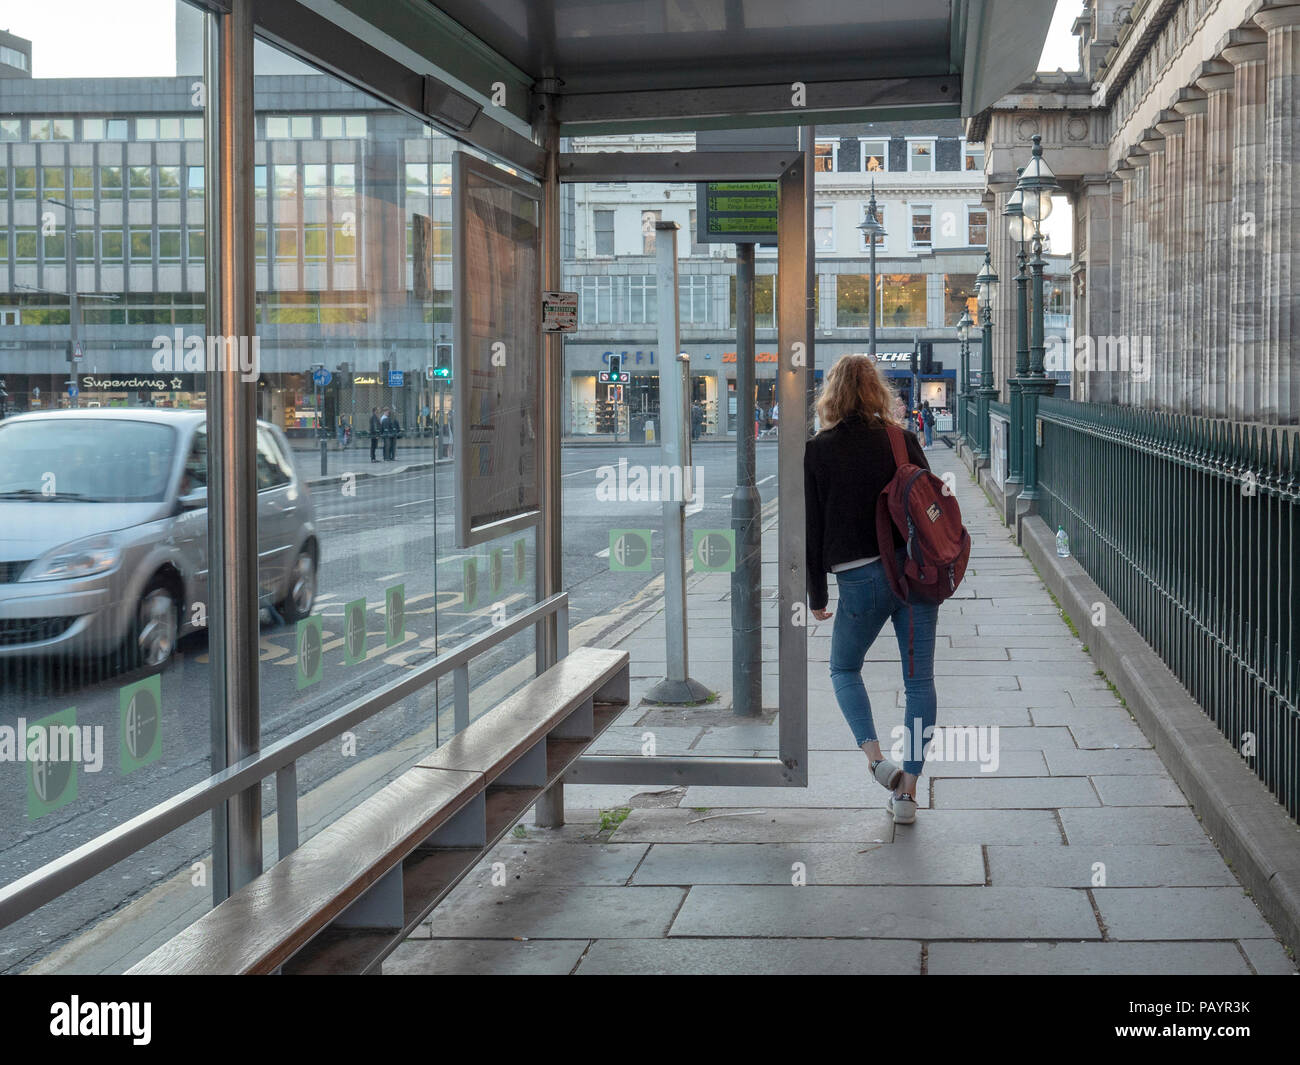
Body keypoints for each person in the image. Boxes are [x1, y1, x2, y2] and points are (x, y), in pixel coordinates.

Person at [804, 354, 940, 826]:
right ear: (878, 391)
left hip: (859, 577)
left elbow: (812, 527)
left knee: (844, 668)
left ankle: (877, 761)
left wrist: (816, 594)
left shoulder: (819, 449)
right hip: (915, 574)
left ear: (832, 394)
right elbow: (931, 502)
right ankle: (909, 795)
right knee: (918, 681)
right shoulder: (902, 440)